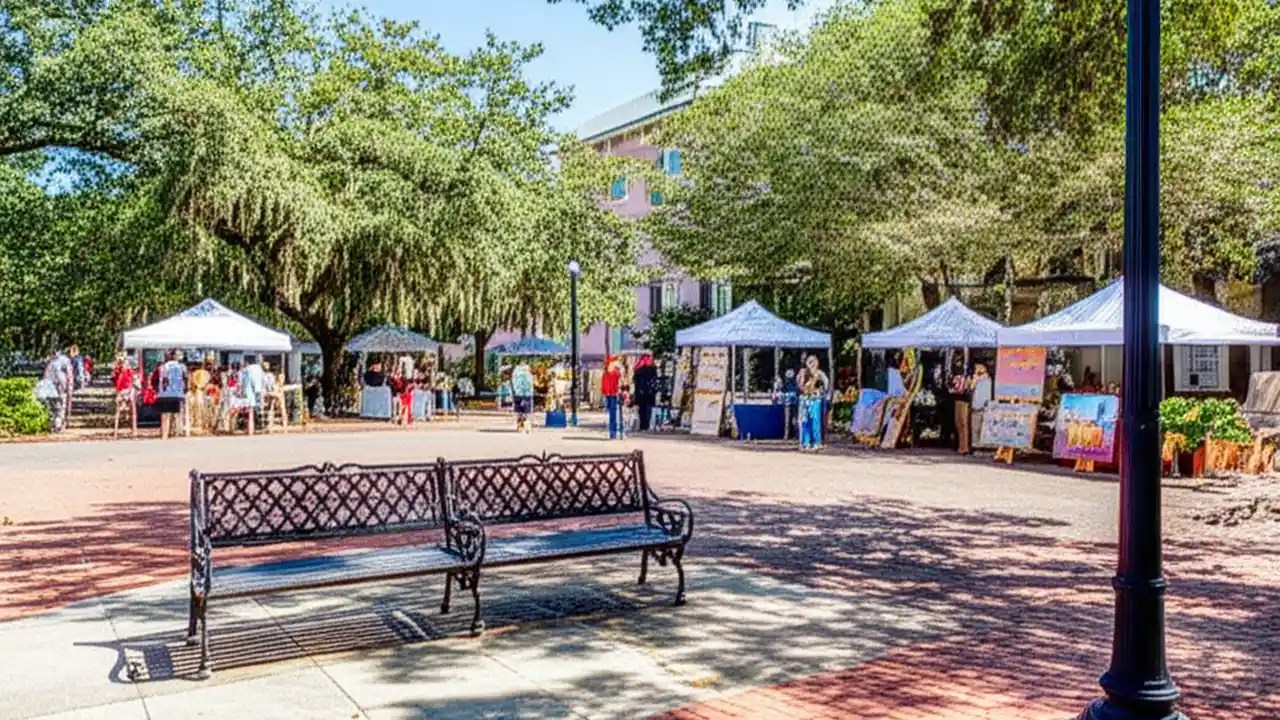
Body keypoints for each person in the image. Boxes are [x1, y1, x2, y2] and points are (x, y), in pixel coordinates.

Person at [797, 354, 829, 451]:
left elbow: (826, 385)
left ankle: (816, 443)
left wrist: (818, 390)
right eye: (810, 362)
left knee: (815, 422)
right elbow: (799, 386)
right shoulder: (802, 373)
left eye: (813, 362)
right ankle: (805, 443)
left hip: (815, 400)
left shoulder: (820, 374)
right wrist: (804, 380)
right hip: (805, 400)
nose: (812, 364)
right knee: (805, 421)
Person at [38, 347, 74, 433]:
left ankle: (53, 425)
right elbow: (69, 375)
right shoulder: (65, 361)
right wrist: (68, 387)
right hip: (60, 387)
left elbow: (45, 376)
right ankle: (57, 426)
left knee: (52, 407)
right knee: (60, 407)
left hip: (50, 388)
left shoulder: (50, 361)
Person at [157, 350, 189, 439]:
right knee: (176, 415)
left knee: (165, 415)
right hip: (177, 393)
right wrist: (185, 389)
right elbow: (186, 378)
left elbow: (163, 379)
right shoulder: (182, 366)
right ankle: (175, 433)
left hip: (165, 393)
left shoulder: (163, 366)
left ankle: (164, 435)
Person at [111, 352, 138, 438]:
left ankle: (133, 430)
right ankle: (118, 431)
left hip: (127, 391)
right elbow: (114, 380)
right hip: (123, 391)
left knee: (130, 411)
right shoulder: (117, 370)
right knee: (122, 411)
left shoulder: (126, 370)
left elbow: (133, 379)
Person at [950, 363, 973, 454]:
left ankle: (965, 447)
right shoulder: (956, 377)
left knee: (964, 423)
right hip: (957, 399)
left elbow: (968, 388)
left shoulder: (968, 377)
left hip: (965, 400)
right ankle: (960, 445)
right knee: (958, 423)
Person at [632, 354, 658, 431]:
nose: (647, 361)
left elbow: (654, 380)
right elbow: (635, 379)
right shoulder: (639, 369)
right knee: (642, 410)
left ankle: (645, 425)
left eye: (648, 359)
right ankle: (643, 426)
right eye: (645, 359)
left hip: (648, 393)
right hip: (642, 393)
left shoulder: (652, 369)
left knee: (647, 410)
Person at [602, 356, 623, 439]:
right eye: (617, 361)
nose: (618, 362)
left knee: (613, 414)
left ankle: (614, 432)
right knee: (613, 414)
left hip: (613, 394)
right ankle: (613, 432)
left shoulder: (614, 371)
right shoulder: (611, 372)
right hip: (612, 395)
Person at [511, 362, 535, 433]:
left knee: (519, 411)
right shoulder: (529, 374)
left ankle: (520, 426)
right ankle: (527, 427)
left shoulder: (515, 373)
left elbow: (513, 383)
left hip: (517, 395)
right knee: (526, 411)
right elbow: (530, 385)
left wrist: (514, 392)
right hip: (527, 395)